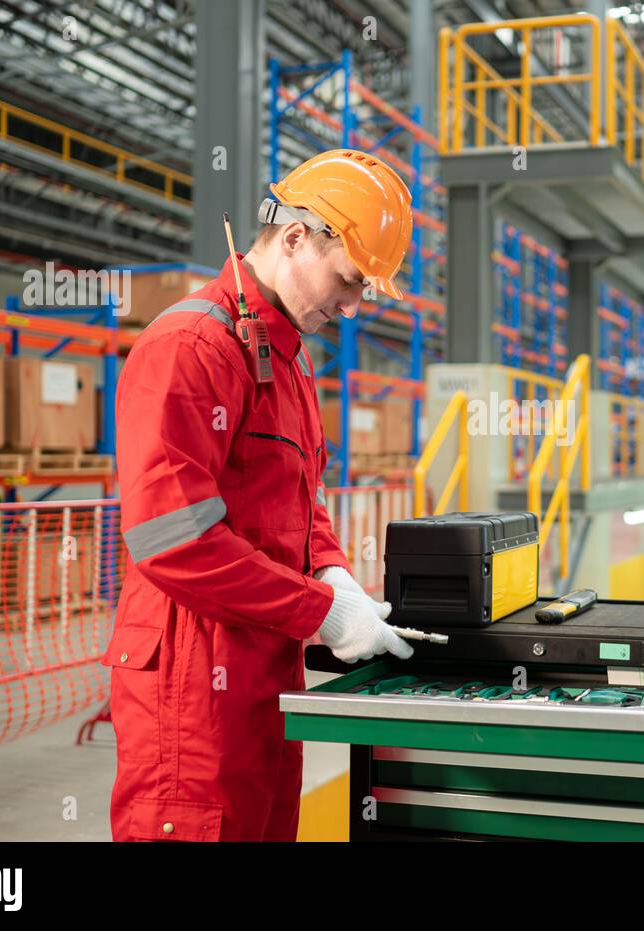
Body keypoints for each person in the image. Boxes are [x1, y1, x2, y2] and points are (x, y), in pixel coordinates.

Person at [104, 149, 414, 842]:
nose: (353, 305)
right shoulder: (190, 347)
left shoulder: (288, 359)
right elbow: (172, 539)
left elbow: (305, 498)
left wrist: (332, 570)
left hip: (267, 677)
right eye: (349, 280)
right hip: (191, 691)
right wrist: (322, 611)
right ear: (297, 238)